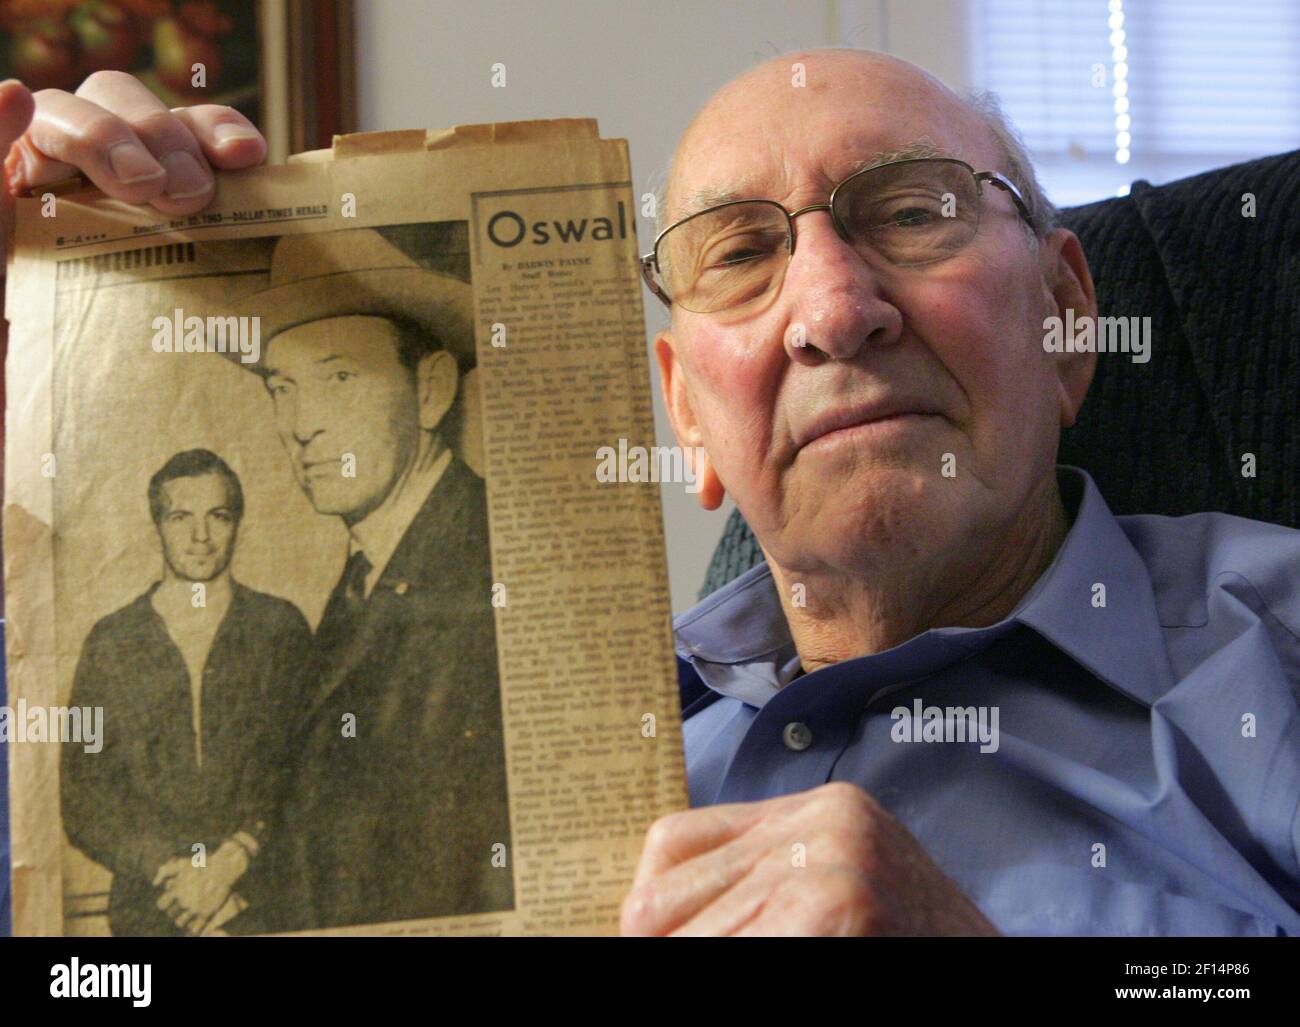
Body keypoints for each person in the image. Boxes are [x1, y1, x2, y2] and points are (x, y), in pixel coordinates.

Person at [3, 49, 1299, 936]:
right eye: (740, 253)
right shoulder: (527, 718)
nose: (836, 311)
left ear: (1070, 317)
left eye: (913, 210)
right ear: (688, 417)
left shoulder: (1275, 650)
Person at [239, 230, 513, 930]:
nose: (301, 427)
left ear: (431, 391)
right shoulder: (364, 572)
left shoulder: (493, 559)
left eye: (337, 378)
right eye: (283, 388)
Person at [61, 449, 312, 936]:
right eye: (181, 517)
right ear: (157, 526)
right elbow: (82, 795)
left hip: (262, 906)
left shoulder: (280, 629)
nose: (201, 536)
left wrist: (234, 860)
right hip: (149, 911)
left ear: (237, 523)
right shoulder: (111, 642)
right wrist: (171, 874)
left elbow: (309, 768)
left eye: (217, 516)